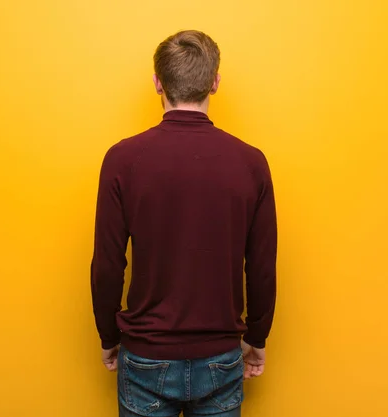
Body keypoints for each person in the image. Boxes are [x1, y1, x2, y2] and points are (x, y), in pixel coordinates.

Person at [91, 30, 277, 417]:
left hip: (145, 355)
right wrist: (257, 337)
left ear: (157, 82)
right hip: (220, 357)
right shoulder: (251, 163)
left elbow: (108, 264)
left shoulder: (122, 160)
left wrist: (108, 335)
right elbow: (261, 266)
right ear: (215, 82)